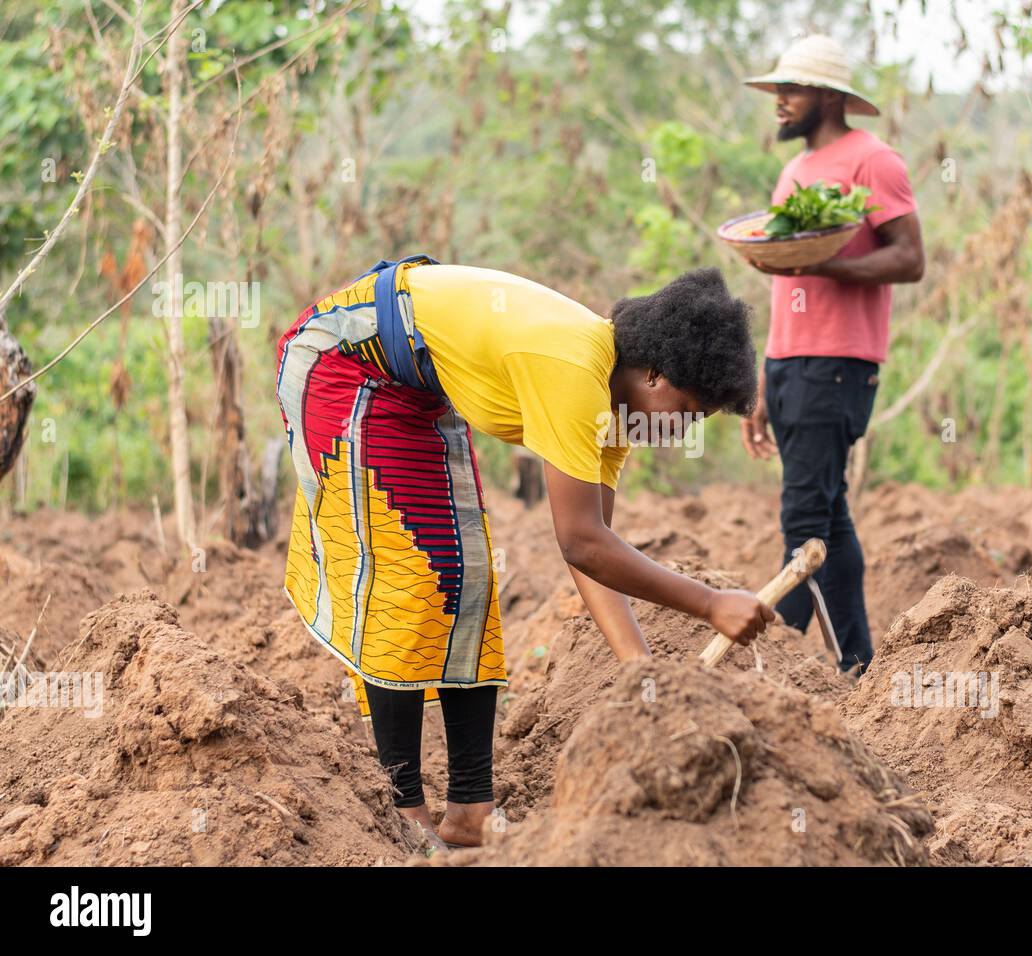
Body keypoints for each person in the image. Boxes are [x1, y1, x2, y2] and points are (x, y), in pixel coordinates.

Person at [275, 258, 774, 850]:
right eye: (689, 415)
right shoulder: (571, 370)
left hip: (412, 389)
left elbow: (595, 553)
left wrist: (645, 673)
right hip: (344, 363)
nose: (682, 433)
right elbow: (583, 542)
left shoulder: (615, 410)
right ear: (656, 375)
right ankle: (403, 810)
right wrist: (711, 603)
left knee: (467, 578)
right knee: (408, 580)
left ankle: (470, 808)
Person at [738, 35, 926, 676]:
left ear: (828, 96)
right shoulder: (793, 174)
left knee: (803, 518)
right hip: (791, 364)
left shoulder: (874, 161)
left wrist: (833, 265)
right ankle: (858, 666)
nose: (779, 103)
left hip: (840, 364)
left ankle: (776, 664)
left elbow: (910, 257)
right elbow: (784, 284)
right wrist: (764, 380)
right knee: (830, 518)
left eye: (789, 91)